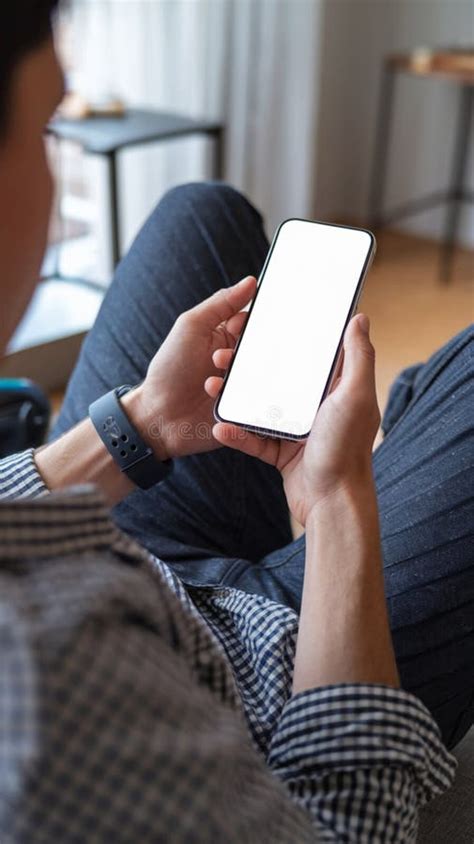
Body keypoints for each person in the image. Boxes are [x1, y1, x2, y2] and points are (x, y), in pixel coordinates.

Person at [1, 2, 472, 842]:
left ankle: (409, 430)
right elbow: (338, 826)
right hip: (277, 692)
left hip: (132, 559)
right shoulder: (37, 708)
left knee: (198, 209)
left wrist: (141, 423)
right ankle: (399, 441)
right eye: (43, 126)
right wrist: (335, 507)